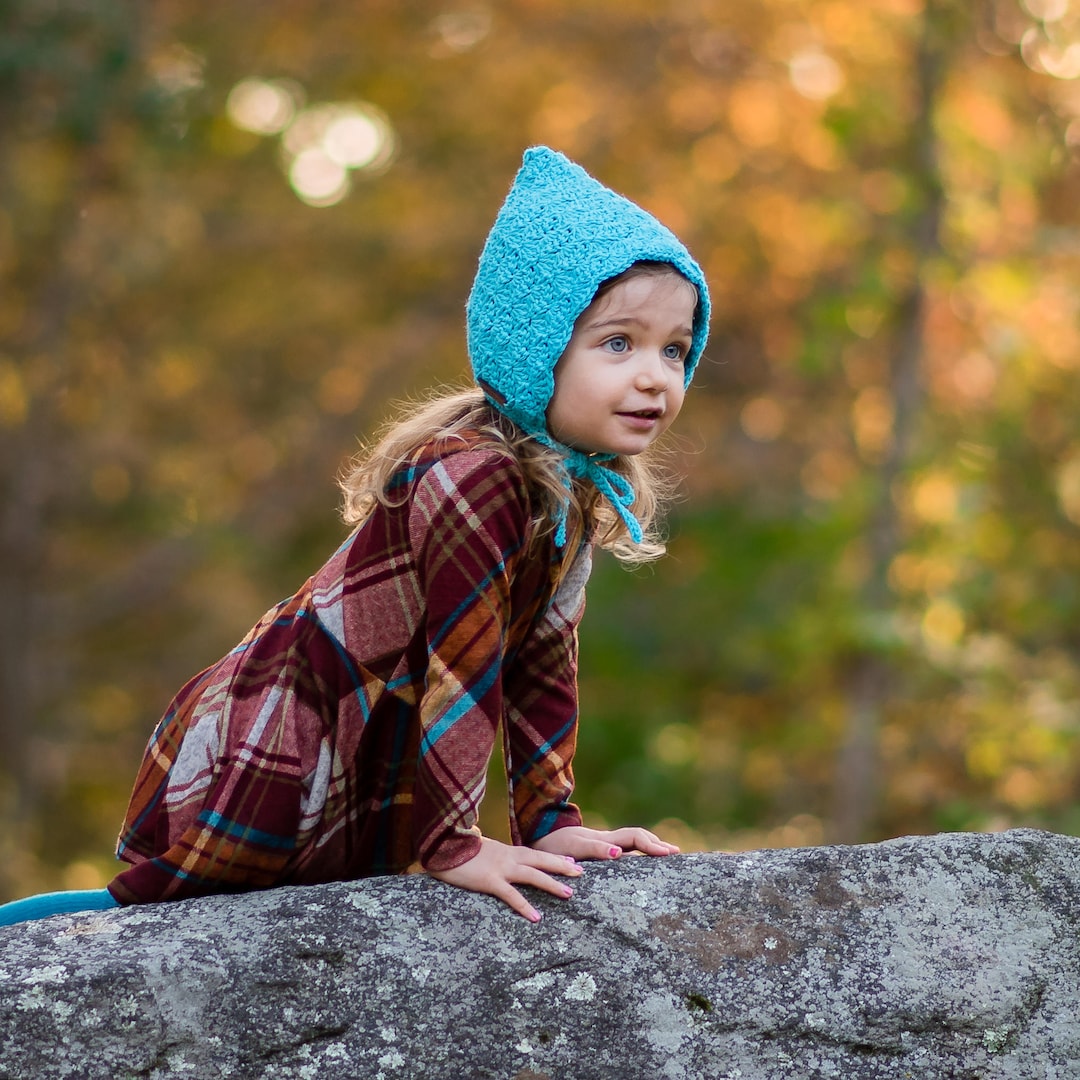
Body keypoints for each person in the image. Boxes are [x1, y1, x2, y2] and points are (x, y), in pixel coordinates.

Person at [0, 146, 710, 928]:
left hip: (368, 749)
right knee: (152, 912)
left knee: (263, 921)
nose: (655, 376)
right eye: (619, 343)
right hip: (287, 736)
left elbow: (541, 655)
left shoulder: (564, 486)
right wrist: (454, 844)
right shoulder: (474, 476)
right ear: (536, 348)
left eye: (674, 349)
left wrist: (550, 819)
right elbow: (464, 667)